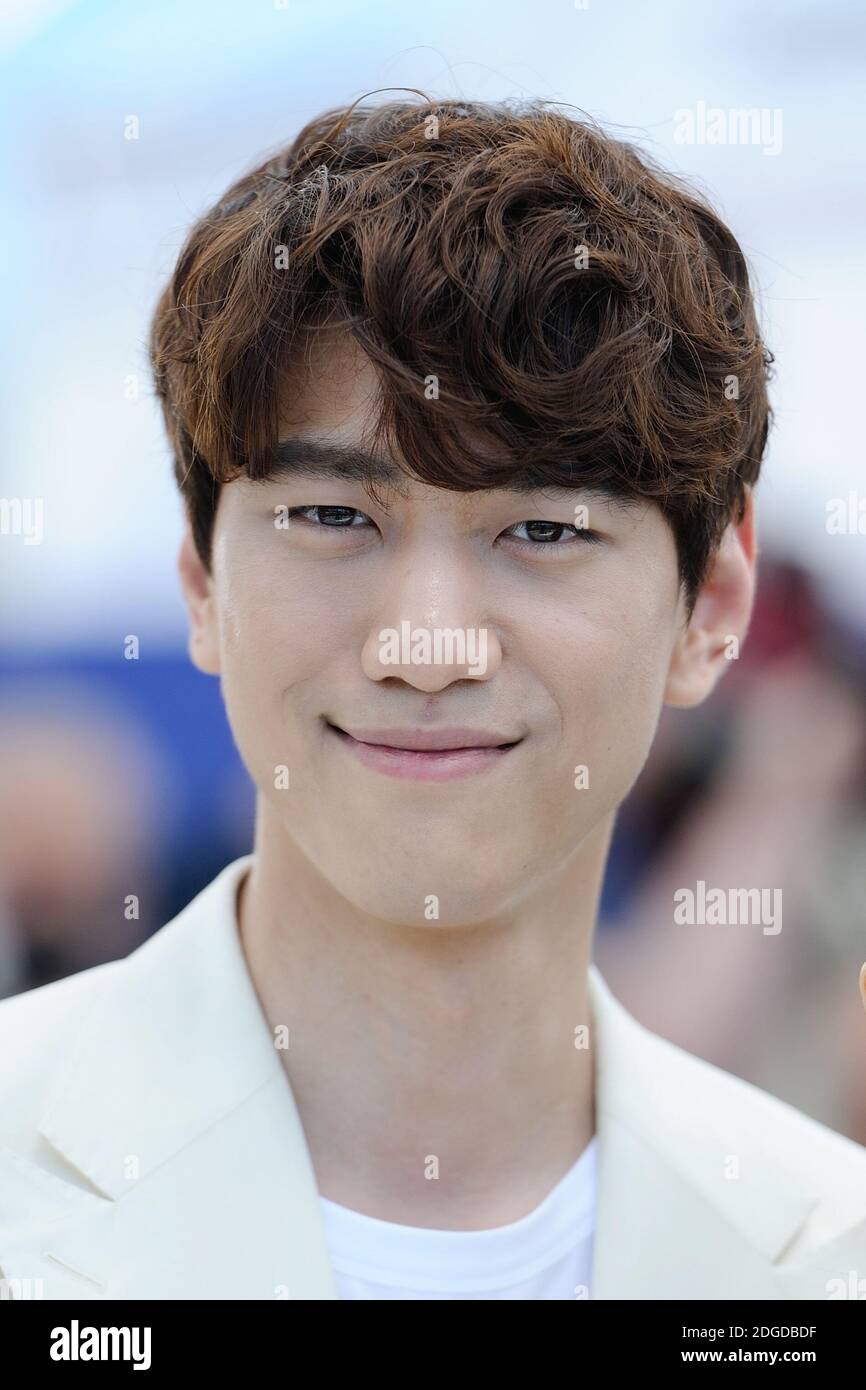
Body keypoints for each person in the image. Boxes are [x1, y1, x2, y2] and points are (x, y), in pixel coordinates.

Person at [2, 94, 865, 1302]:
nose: (425, 645)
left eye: (543, 529)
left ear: (710, 604)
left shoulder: (824, 1252)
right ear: (201, 579)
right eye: (330, 516)